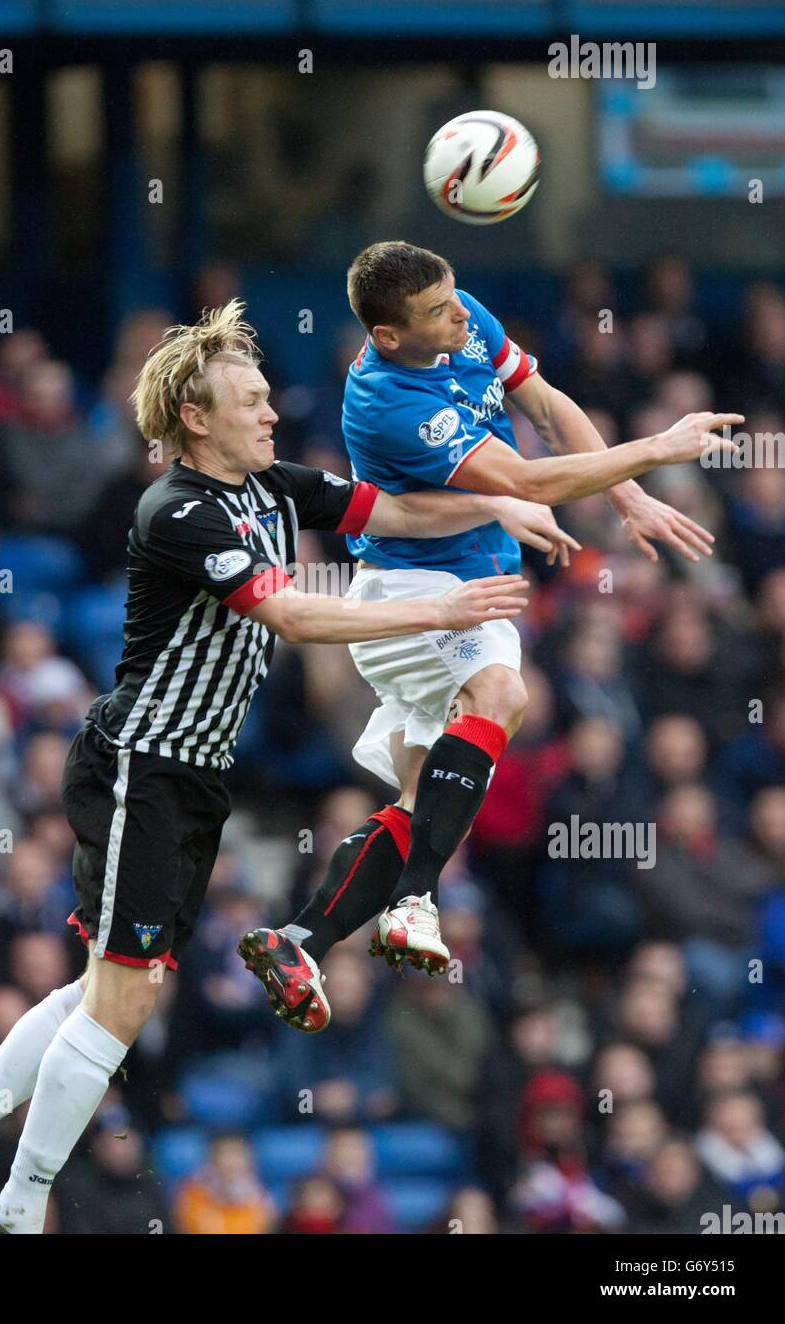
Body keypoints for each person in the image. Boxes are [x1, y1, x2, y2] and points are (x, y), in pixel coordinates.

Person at [0, 297, 547, 1235]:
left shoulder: (273, 484)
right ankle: (17, 1211)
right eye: (253, 399)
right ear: (197, 418)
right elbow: (292, 614)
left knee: (100, 991)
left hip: (194, 779)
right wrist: (439, 612)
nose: (273, 413)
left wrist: (498, 501)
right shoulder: (177, 508)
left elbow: (388, 506)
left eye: (271, 396)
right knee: (125, 996)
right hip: (138, 766)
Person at [243, 239, 740, 1025]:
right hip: (417, 588)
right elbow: (526, 478)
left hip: (477, 578)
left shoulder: (457, 311)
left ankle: (299, 937)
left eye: (453, 300)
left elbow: (542, 404)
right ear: (386, 336)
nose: (457, 315)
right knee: (503, 694)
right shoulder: (387, 400)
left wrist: (628, 496)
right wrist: (655, 447)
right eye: (436, 312)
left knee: (417, 805)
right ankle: (415, 903)